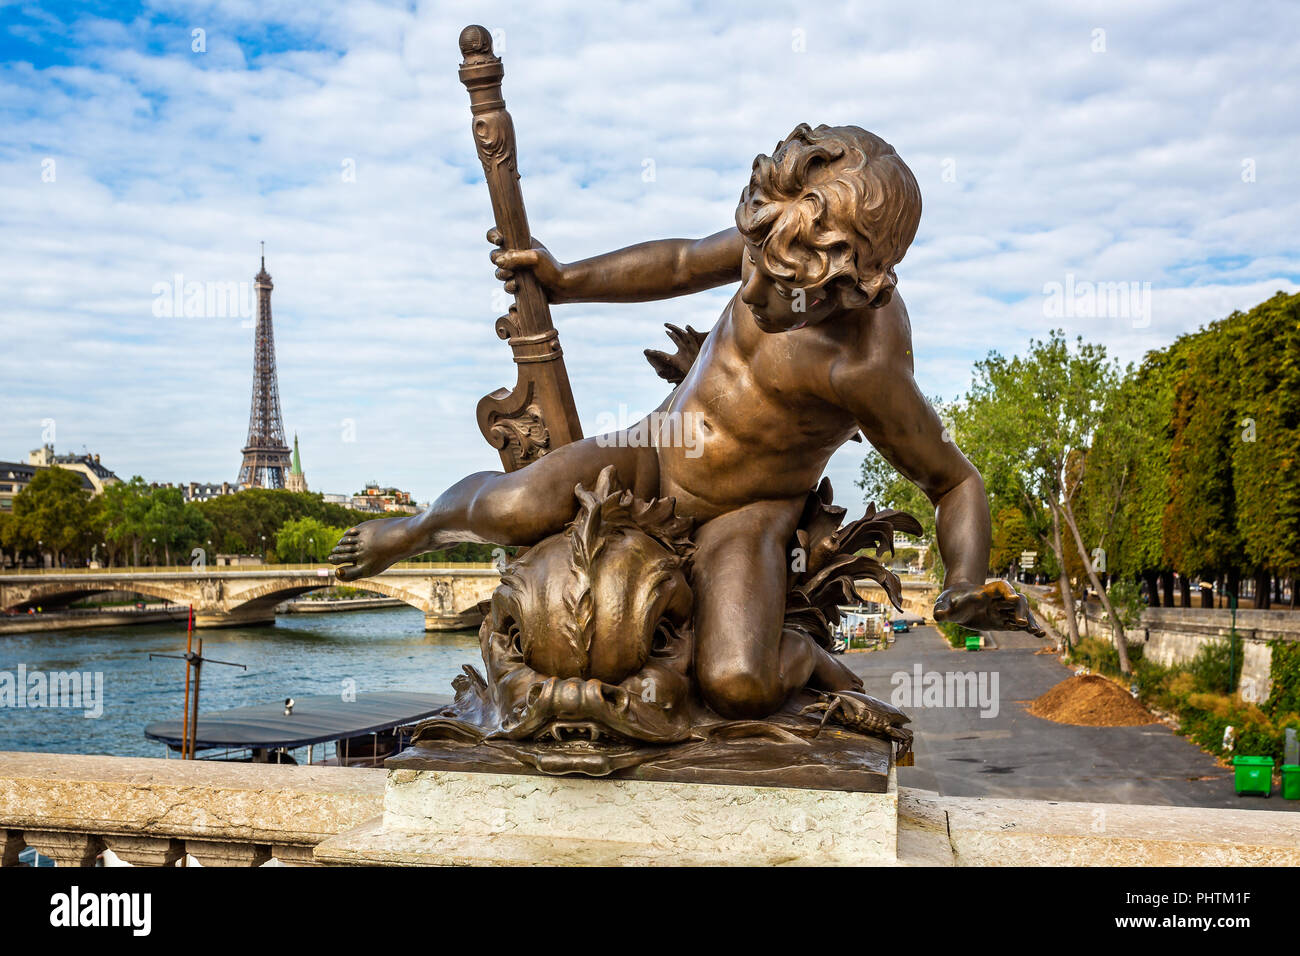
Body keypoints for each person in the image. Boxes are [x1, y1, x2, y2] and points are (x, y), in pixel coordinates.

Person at [330, 123, 1042, 719]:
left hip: (746, 513)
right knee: (513, 504)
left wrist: (963, 582)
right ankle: (415, 528)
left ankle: (801, 655)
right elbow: (674, 263)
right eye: (751, 262)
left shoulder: (866, 368)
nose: (751, 289)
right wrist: (565, 280)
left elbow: (953, 482)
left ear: (850, 291)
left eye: (780, 288)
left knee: (737, 684)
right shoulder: (778, 238)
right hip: (658, 448)